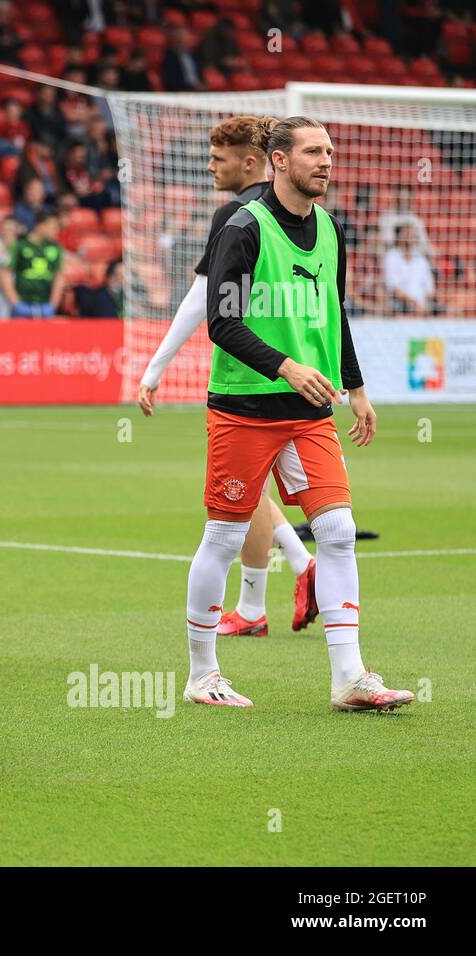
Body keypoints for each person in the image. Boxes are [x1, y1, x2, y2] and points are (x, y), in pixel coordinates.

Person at [185, 115, 413, 712]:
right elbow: (223, 324)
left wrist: (357, 389)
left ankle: (350, 679)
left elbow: (333, 314)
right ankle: (202, 672)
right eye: (314, 151)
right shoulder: (243, 227)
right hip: (244, 406)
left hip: (311, 411)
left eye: (330, 151)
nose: (327, 160)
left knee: (337, 532)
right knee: (225, 535)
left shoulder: (333, 229)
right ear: (279, 160)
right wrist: (286, 366)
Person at [139, 116, 316, 637]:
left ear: (253, 161)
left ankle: (286, 587)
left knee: (241, 499)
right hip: (296, 377)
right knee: (278, 497)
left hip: (250, 378)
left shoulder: (239, 213)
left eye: (218, 158)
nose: (209, 166)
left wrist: (154, 368)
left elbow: (202, 300)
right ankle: (281, 586)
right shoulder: (298, 215)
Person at [0, 210, 67, 317]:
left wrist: (53, 305)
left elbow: (59, 277)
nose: (57, 231)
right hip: (23, 303)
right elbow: (4, 274)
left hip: (45, 304)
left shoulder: (55, 248)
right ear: (40, 226)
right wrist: (15, 302)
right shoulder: (20, 246)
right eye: (53, 227)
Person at [382, 223, 436, 315]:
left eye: (412, 233)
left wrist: (426, 306)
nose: (411, 235)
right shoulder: (391, 258)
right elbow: (393, 290)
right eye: (407, 233)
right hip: (401, 307)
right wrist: (414, 304)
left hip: (423, 308)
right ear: (399, 237)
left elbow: (430, 290)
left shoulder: (421, 260)